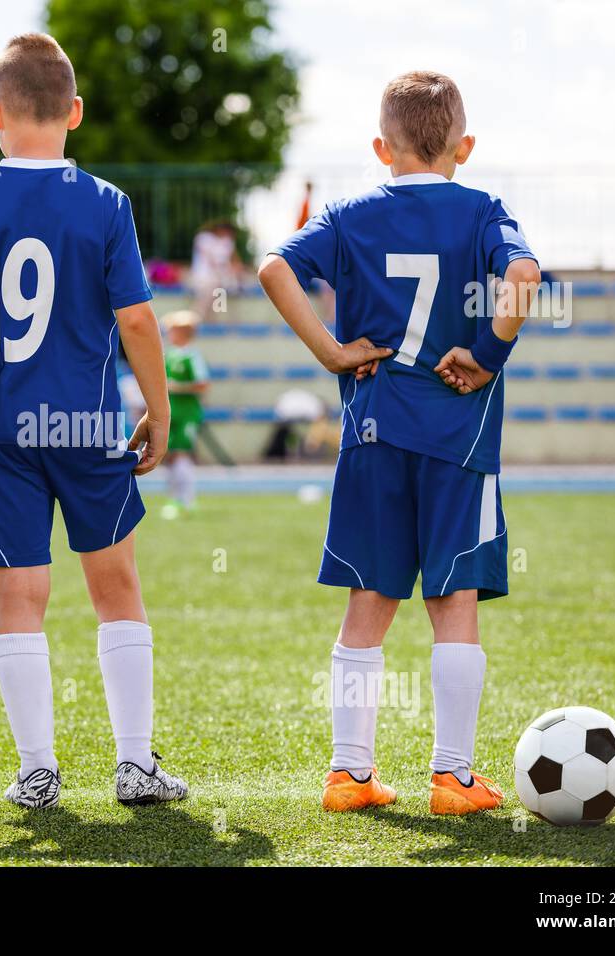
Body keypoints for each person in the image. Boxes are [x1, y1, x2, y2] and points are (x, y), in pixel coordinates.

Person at [0, 33, 188, 810]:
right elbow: (141, 323)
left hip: (2, 425)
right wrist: (159, 404)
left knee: (20, 596)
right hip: (86, 422)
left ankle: (38, 771)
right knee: (116, 586)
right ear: (75, 112)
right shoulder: (105, 203)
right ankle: (133, 766)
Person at [258, 71, 541, 815]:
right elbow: (523, 273)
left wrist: (328, 350)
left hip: (373, 434)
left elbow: (274, 266)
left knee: (368, 601)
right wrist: (486, 353)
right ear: (464, 146)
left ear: (381, 147)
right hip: (458, 440)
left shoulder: (351, 214)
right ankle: (452, 776)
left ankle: (349, 775)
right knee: (454, 602)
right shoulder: (484, 210)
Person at [160, 309, 209, 519]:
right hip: (170, 412)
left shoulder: (192, 356)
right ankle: (174, 497)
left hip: (187, 412)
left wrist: (176, 387)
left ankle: (186, 499)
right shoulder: (169, 355)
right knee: (168, 455)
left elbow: (202, 385)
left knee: (181, 452)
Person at [189, 220, 241, 322]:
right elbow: (211, 260)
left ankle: (212, 321)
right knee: (211, 291)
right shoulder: (203, 238)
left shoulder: (227, 242)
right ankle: (196, 318)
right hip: (204, 277)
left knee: (218, 293)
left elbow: (234, 261)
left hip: (219, 279)